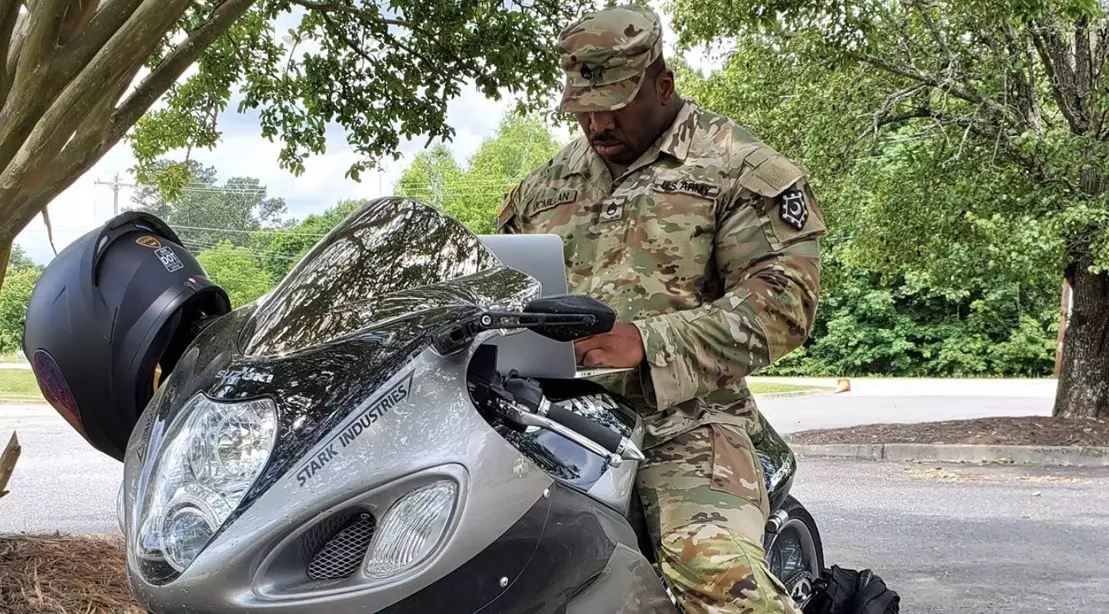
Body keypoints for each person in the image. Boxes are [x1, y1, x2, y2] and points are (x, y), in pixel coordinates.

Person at [496, 4, 826, 614]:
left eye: (614, 105)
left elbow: (784, 305)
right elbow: (490, 290)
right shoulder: (545, 185)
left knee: (720, 579)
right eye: (582, 108)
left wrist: (647, 341)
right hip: (549, 423)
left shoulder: (739, 169)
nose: (596, 124)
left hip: (685, 427)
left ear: (663, 84)